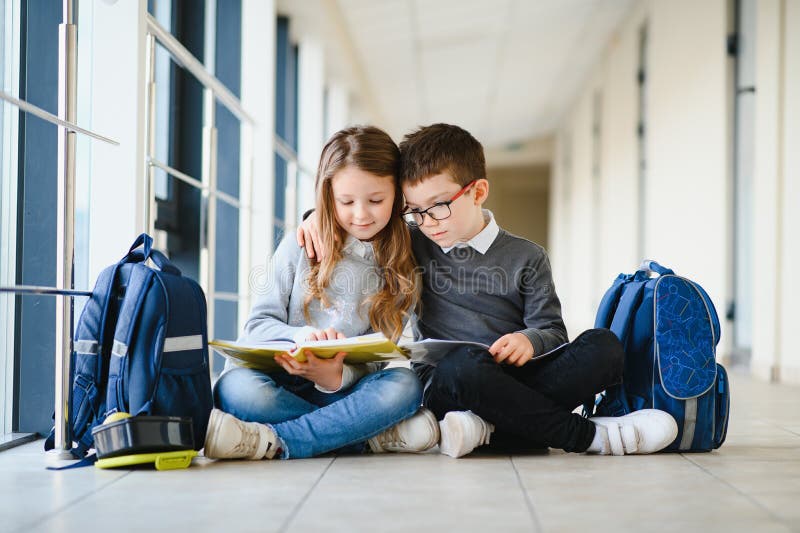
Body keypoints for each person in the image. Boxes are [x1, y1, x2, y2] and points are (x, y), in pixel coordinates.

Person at [298, 123, 678, 458]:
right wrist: (313, 216)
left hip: (519, 378)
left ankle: (487, 431)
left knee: (604, 346)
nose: (427, 222)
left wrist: (529, 341)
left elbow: (552, 331)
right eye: (414, 210)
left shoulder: (528, 257)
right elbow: (359, 222)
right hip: (451, 383)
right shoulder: (409, 241)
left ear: (478, 191)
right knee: (462, 367)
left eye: (439, 206)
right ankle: (586, 435)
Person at [203, 125, 439, 461]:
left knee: (405, 386)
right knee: (235, 390)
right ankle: (367, 436)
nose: (360, 214)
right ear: (328, 196)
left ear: (397, 197)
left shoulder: (402, 266)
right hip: (276, 383)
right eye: (346, 201)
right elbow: (257, 326)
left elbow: (377, 359)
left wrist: (336, 377)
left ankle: (270, 440)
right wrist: (302, 337)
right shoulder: (299, 244)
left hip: (339, 390)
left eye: (376, 200)